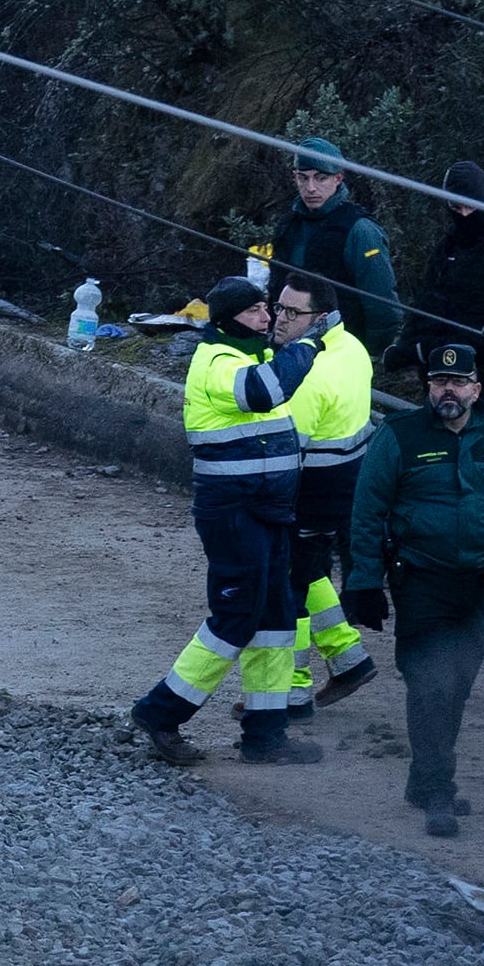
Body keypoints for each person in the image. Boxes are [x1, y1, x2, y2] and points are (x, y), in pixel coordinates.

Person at [339, 343, 484, 837]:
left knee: (458, 687)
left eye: (458, 382)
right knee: (430, 685)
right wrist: (363, 580)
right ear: (428, 387)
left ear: (476, 389)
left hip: (483, 583)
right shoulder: (399, 435)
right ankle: (438, 789)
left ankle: (422, 781)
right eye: (438, 382)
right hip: (421, 578)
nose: (448, 390)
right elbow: (367, 511)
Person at [132, 277, 320, 765]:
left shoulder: (249, 354)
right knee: (235, 617)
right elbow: (264, 394)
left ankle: (266, 734)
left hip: (268, 510)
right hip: (234, 513)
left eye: (269, 309)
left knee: (277, 619)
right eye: (258, 310)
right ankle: (161, 713)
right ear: (230, 318)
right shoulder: (217, 362)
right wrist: (309, 343)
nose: (268, 318)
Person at [277, 270, 383, 718]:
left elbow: (283, 454)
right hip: (345, 488)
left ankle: (292, 692)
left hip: (309, 493)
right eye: (278, 307)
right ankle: (349, 660)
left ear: (319, 318)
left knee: (288, 589)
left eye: (291, 313)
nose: (278, 320)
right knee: (313, 570)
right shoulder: (352, 347)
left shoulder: (309, 376)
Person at [391, 162, 484, 413]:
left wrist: (426, 349)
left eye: (471, 205)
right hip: (440, 386)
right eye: (455, 206)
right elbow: (427, 302)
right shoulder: (448, 246)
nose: (463, 214)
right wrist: (406, 344)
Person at [273, 137, 401, 357]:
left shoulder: (360, 230)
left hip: (340, 351)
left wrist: (373, 354)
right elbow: (275, 285)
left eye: (320, 178)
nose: (310, 188)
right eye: (303, 178)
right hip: (289, 351)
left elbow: (381, 301)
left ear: (338, 179)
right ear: (295, 178)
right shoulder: (288, 225)